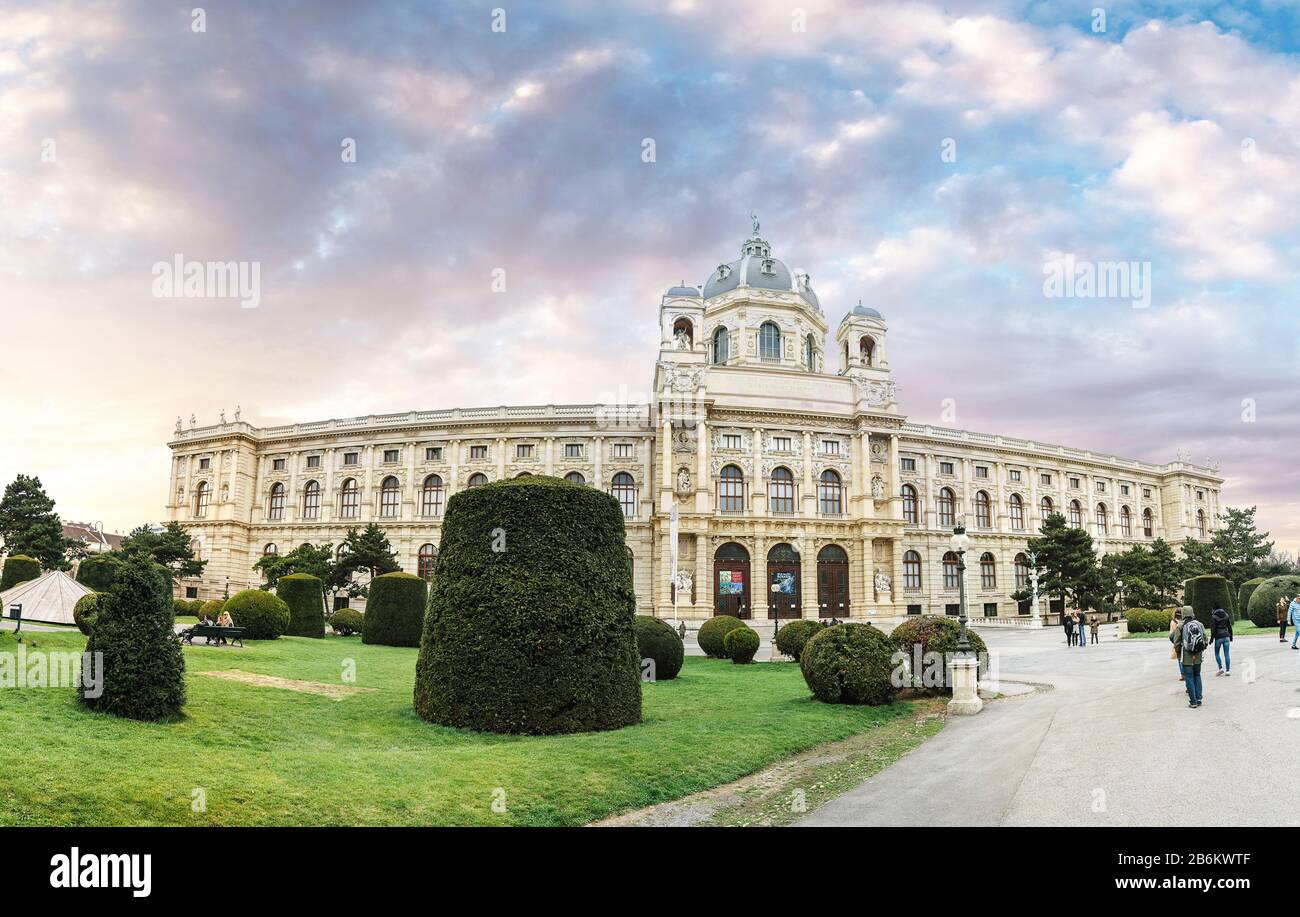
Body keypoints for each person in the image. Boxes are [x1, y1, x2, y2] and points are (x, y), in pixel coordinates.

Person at [1172, 605, 1208, 708]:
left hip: (1187, 656)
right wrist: (1201, 650)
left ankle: (1193, 701)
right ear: (1192, 613)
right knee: (1197, 675)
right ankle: (1199, 698)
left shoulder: (1180, 626)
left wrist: (1179, 654)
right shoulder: (1199, 624)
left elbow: (1177, 643)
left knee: (1189, 677)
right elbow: (1205, 639)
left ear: (1183, 614)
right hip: (1198, 656)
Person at [1211, 605, 1233, 676]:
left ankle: (1220, 669)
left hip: (1218, 637)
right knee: (1227, 654)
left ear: (1214, 609)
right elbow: (1229, 626)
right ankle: (1228, 671)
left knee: (1217, 653)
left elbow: (1213, 629)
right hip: (1226, 636)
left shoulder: (1214, 616)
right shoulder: (1226, 615)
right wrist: (1231, 636)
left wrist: (1212, 639)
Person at [1169, 608, 1184, 681]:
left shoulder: (1173, 622)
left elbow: (1171, 635)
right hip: (1185, 642)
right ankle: (1187, 674)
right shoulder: (1185, 621)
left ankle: (1183, 675)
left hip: (1177, 642)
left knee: (1179, 659)